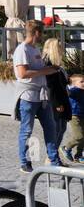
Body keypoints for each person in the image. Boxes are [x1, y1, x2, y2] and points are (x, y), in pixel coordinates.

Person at [15, 23, 64, 172]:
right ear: (36, 32)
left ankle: (54, 160)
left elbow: (38, 70)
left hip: (42, 96)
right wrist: (44, 71)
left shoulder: (34, 49)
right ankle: (24, 162)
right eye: (41, 32)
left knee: (51, 128)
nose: (42, 35)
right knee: (26, 130)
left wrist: (50, 70)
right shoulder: (22, 49)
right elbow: (22, 73)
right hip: (28, 96)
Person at [61, 74, 84, 164]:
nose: (83, 83)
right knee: (79, 136)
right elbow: (68, 93)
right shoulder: (74, 90)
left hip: (82, 115)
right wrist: (64, 85)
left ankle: (78, 156)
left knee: (83, 137)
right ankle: (66, 148)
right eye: (81, 82)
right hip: (75, 116)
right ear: (73, 84)